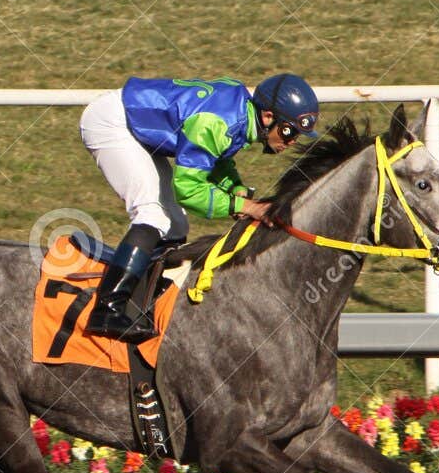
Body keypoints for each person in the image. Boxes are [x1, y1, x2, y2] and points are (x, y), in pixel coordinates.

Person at [79, 73, 320, 342]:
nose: (292, 141)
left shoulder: (239, 113)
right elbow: (188, 190)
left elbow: (217, 156)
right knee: (152, 213)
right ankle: (107, 311)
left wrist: (235, 187)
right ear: (267, 117)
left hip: (136, 126)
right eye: (290, 131)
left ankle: (142, 302)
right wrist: (242, 206)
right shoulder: (216, 122)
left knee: (176, 224)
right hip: (113, 124)